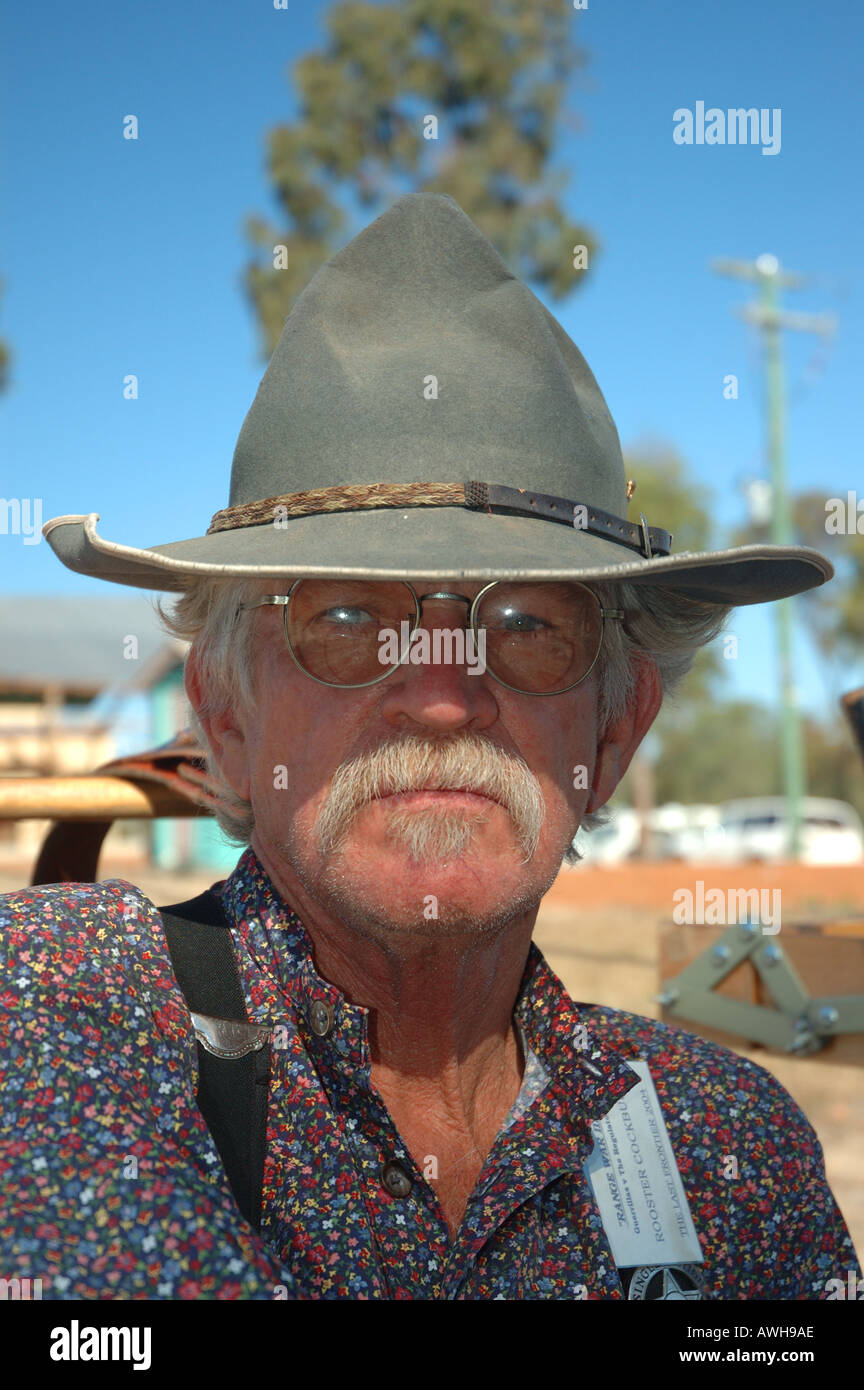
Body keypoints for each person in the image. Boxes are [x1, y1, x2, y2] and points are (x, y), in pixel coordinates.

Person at [1, 194, 858, 1300]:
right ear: (224, 710)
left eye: (528, 628)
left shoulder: (735, 1156)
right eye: (348, 622)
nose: (445, 700)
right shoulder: (57, 1016)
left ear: (616, 726)